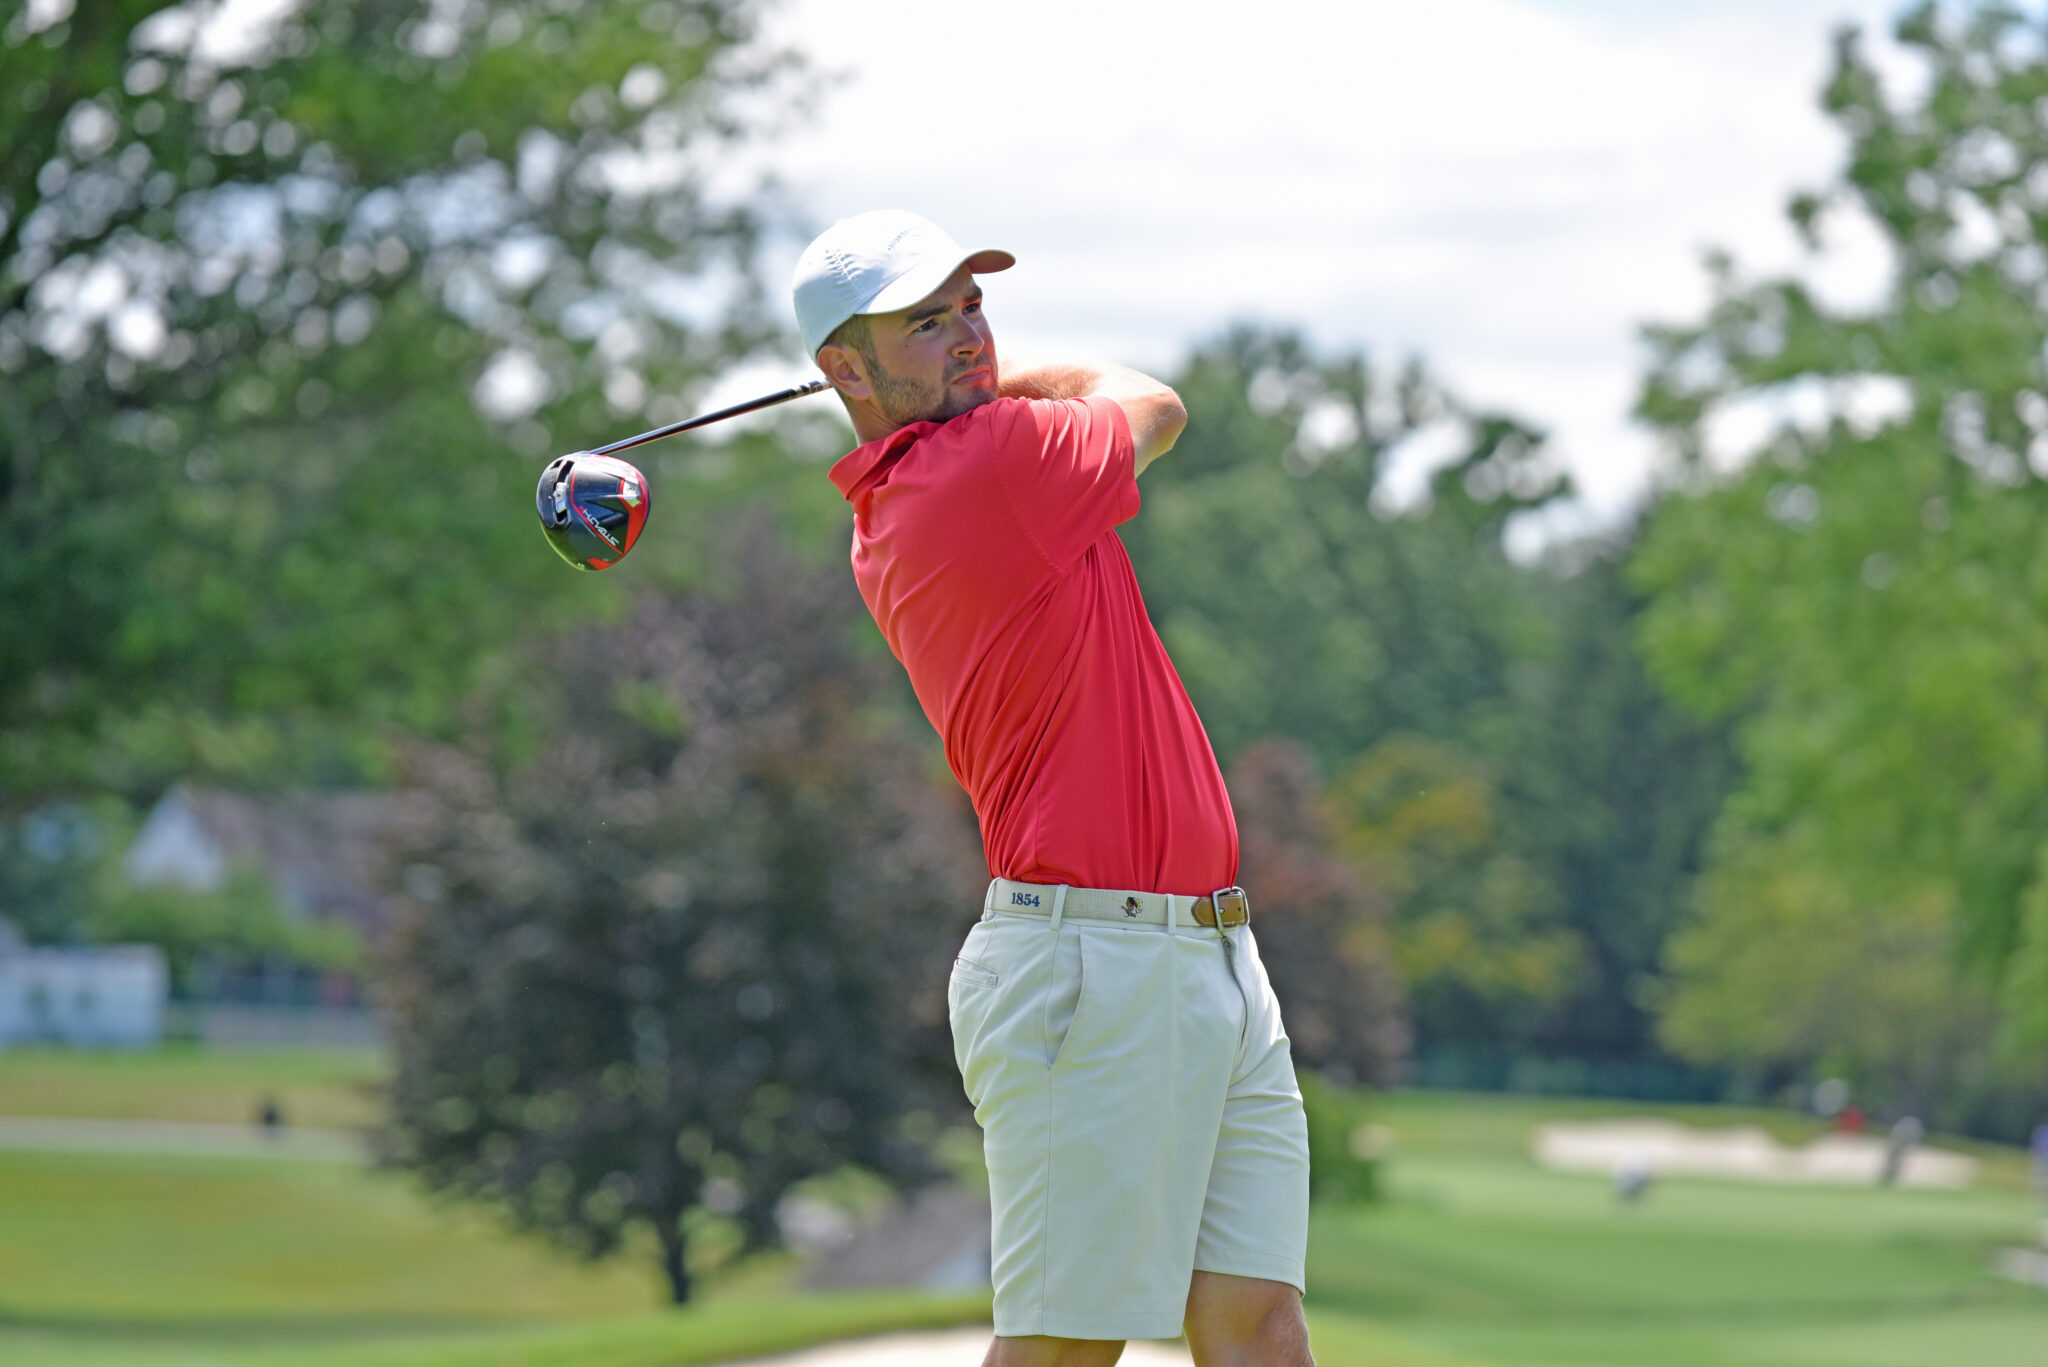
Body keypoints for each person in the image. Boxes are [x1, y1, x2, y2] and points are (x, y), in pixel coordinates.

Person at [793, 211, 1314, 1367]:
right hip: (1090, 966)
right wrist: (1000, 387)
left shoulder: (956, 462)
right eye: (924, 324)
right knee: (1064, 1349)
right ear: (843, 369)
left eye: (971, 308)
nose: (968, 337)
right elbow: (1154, 402)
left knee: (1256, 1325)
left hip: (1208, 951)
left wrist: (954, 377)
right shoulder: (978, 469)